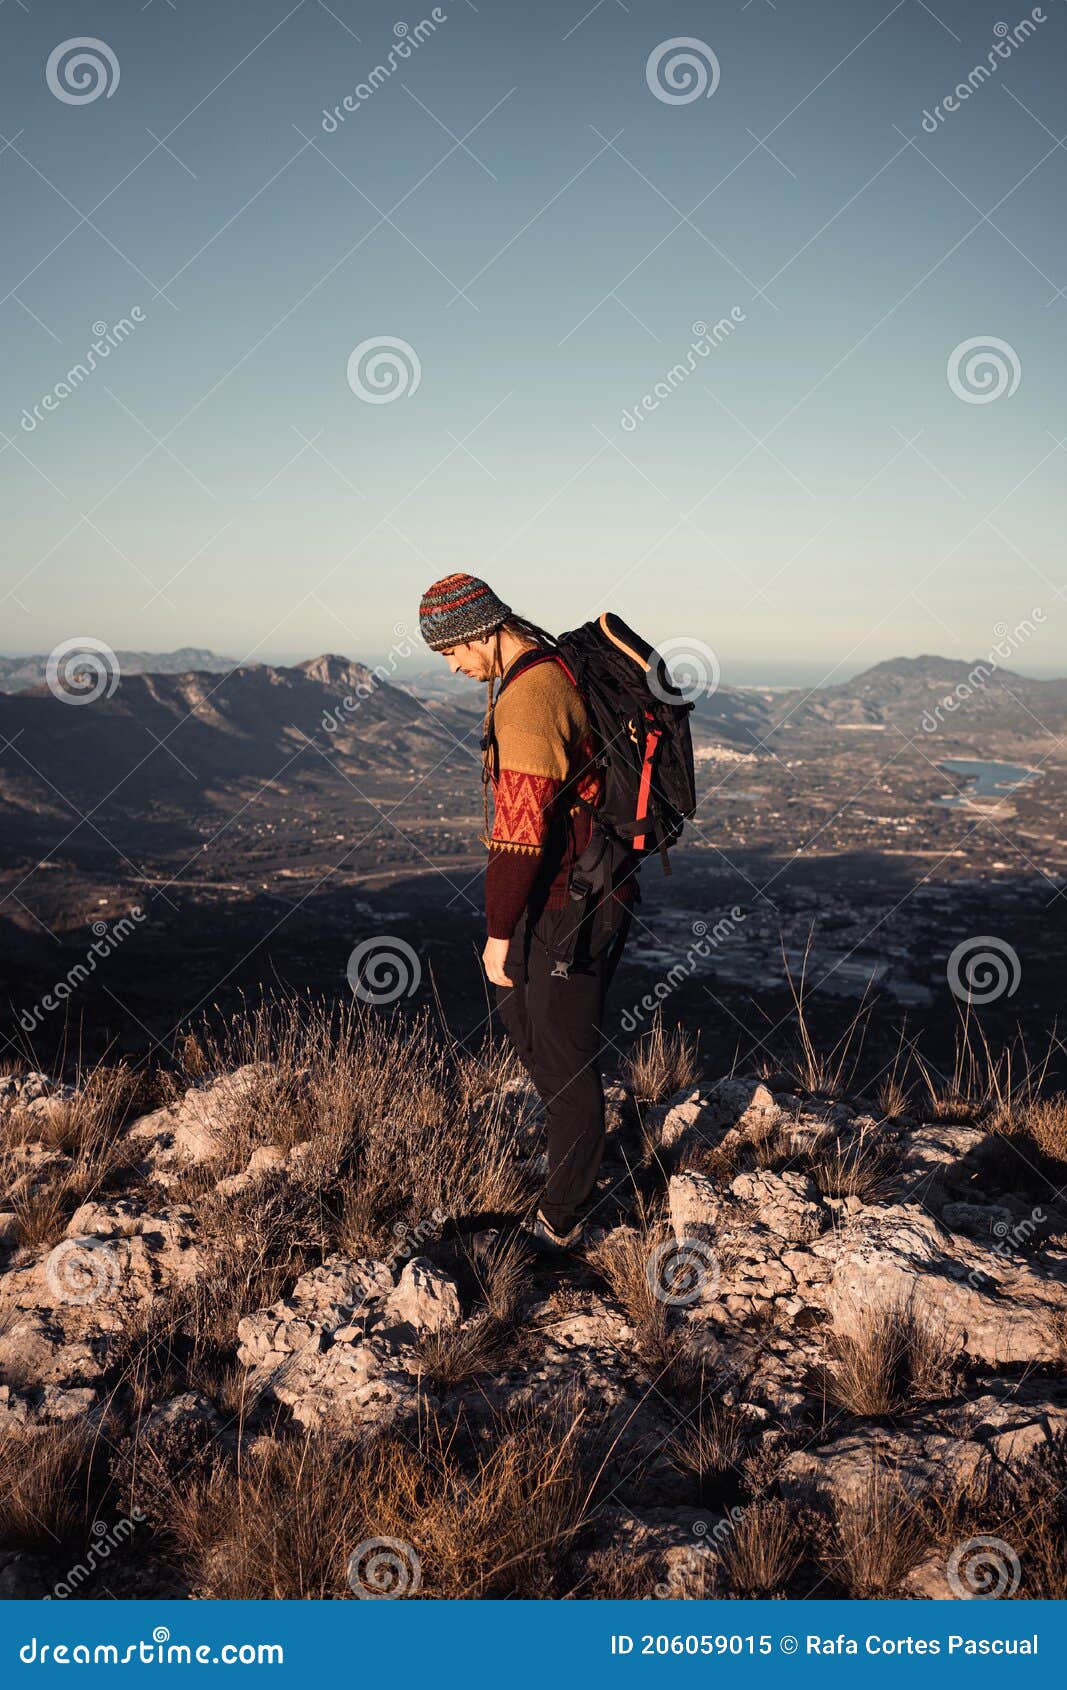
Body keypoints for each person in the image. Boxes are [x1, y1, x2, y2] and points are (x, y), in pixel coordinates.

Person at [418, 572, 632, 1249]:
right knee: (534, 1033)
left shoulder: (529, 698)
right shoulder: (543, 671)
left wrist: (496, 931)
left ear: (482, 631)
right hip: (578, 891)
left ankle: (561, 1220)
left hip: (573, 900)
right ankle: (567, 1168)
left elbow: (519, 834)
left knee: (564, 1060)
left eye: (452, 652)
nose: (453, 667)